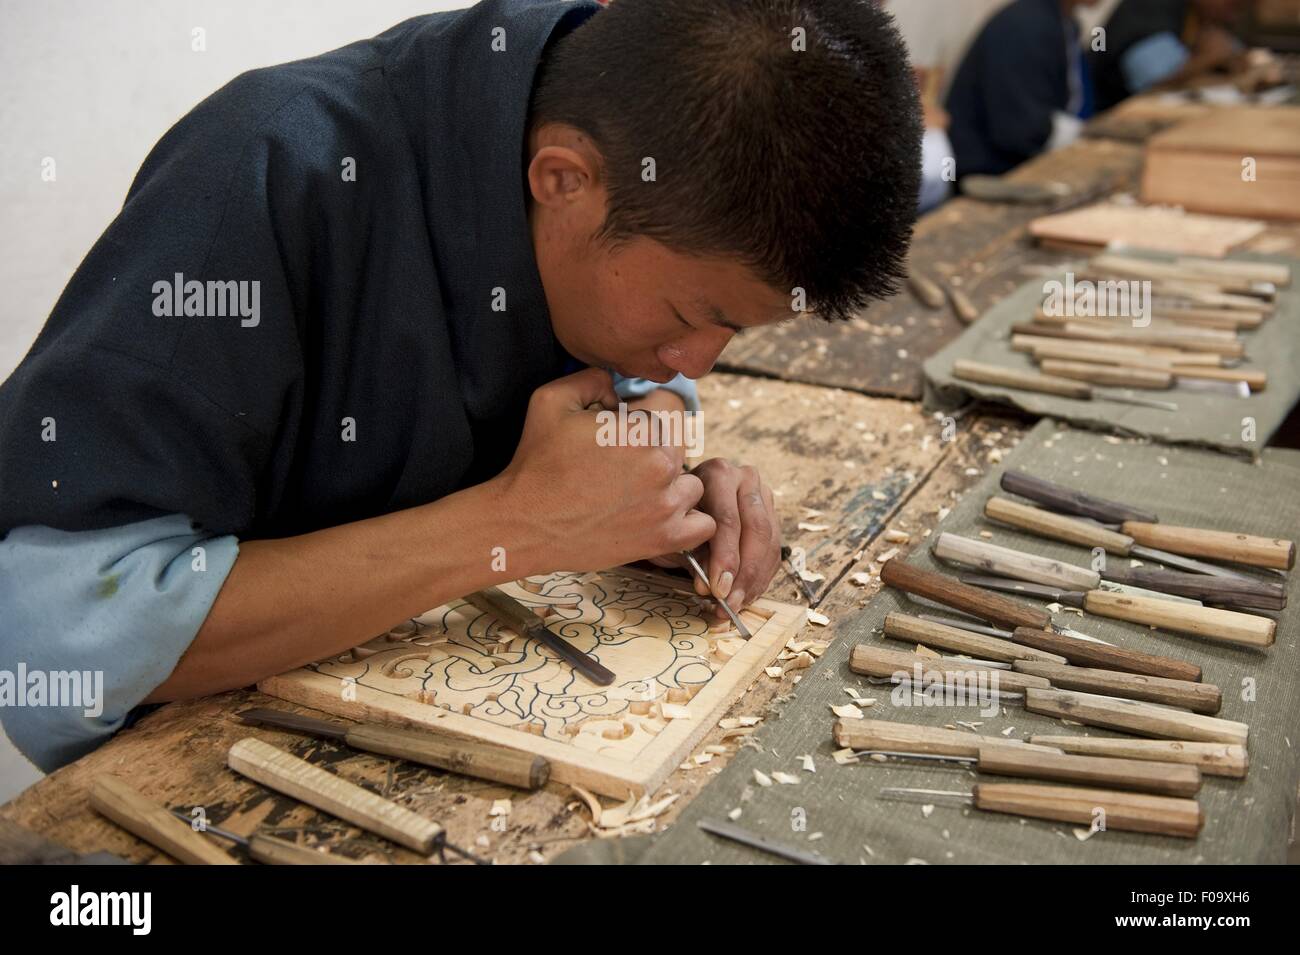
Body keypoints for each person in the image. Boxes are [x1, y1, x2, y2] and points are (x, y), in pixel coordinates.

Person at [0, 0, 922, 771]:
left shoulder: (580, 107)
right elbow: (50, 638)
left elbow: (635, 398)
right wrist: (514, 526)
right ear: (564, 180)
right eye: (690, 314)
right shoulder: (264, 175)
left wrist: (651, 480)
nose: (698, 361)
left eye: (734, 332)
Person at [944, 0, 1098, 180]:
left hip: (1024, 155)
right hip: (987, 170)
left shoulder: (1063, 22)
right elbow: (1020, 129)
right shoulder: (1027, 25)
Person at [1089, 0, 1252, 112]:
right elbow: (1152, 83)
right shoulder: (1153, 9)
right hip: (1104, 119)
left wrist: (1227, 59)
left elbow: (1228, 49)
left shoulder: (1198, 14)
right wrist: (1207, 59)